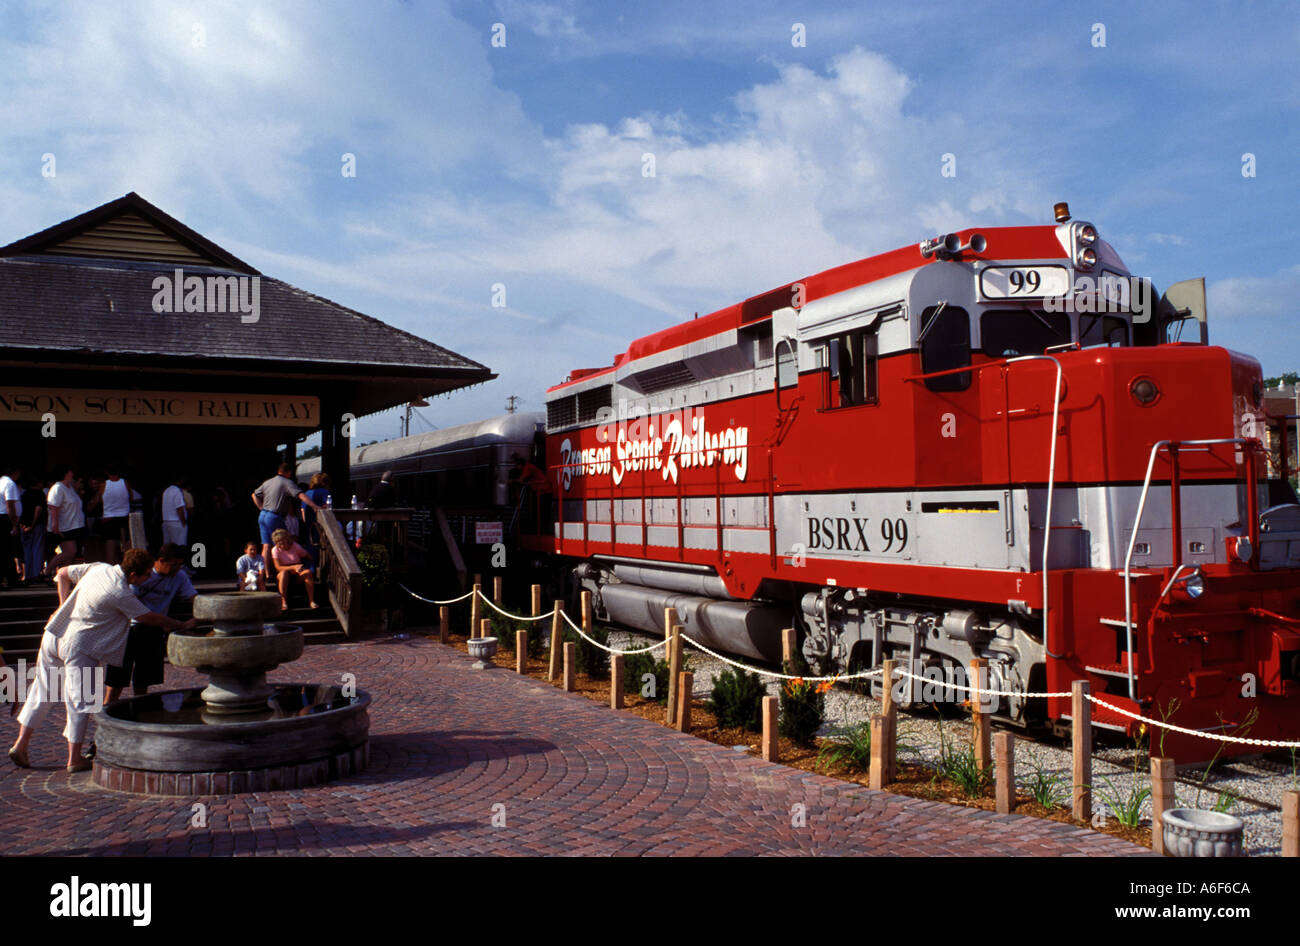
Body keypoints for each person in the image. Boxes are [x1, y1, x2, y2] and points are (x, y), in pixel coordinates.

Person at [8, 549, 197, 772]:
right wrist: (180, 624)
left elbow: (61, 573)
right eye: (146, 574)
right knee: (81, 700)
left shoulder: (99, 567)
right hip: (80, 645)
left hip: (55, 634)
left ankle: (21, 744)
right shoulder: (120, 592)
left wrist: (62, 605)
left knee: (42, 689)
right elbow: (147, 617)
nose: (148, 579)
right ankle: (74, 758)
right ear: (134, 573)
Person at [102, 543, 197, 706]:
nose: (177, 569)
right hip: (129, 628)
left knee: (143, 679)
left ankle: (140, 711)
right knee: (116, 681)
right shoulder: (143, 573)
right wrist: (176, 624)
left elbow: (193, 597)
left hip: (153, 629)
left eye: (180, 565)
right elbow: (136, 608)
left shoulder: (179, 576)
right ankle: (107, 709)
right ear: (160, 561)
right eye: (173, 564)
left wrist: (199, 614)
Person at [252, 463, 322, 585]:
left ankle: (267, 574)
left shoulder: (268, 482)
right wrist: (315, 506)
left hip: (263, 515)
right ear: (289, 473)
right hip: (275, 516)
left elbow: (254, 494)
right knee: (284, 543)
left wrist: (261, 508)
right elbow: (301, 495)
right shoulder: (286, 482)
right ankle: (286, 572)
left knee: (266, 546)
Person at [45, 466, 86, 575]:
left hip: (73, 525)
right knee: (70, 551)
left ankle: (62, 575)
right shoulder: (58, 487)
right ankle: (48, 570)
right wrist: (55, 523)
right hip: (64, 526)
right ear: (66, 473)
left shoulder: (69, 487)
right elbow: (53, 506)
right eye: (70, 472)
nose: (72, 474)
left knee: (70, 554)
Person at [269, 528, 317, 612]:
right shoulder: (275, 550)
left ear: (287, 539)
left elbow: (307, 556)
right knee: (283, 573)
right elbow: (278, 567)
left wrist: (304, 565)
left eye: (282, 540)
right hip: (283, 572)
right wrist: (293, 567)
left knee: (308, 573)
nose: (280, 543)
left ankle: (311, 601)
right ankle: (283, 601)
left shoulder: (295, 546)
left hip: (296, 573)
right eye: (278, 542)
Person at [96, 466, 131, 565]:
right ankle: (127, 566)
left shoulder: (104, 484)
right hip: (124, 517)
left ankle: (110, 567)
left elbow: (98, 499)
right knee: (125, 546)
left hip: (109, 518)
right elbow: (131, 497)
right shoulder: (125, 483)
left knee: (110, 546)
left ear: (107, 473)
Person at [19, 474, 48, 586]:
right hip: (36, 524)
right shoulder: (40, 494)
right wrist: (33, 523)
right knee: (37, 548)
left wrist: (22, 523)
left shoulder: (24, 494)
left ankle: (28, 574)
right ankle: (36, 574)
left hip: (23, 524)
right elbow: (38, 509)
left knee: (26, 549)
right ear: (38, 483)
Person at [301, 472, 332, 563]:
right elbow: (327, 507)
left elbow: (303, 512)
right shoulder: (325, 492)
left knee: (310, 550)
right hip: (320, 526)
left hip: (308, 526)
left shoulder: (307, 493)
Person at [0, 464, 22, 589]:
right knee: (7, 550)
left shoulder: (1, 482)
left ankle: (9, 578)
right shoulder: (10, 484)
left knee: (4, 550)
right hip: (4, 519)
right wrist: (14, 524)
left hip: (2, 516)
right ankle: (11, 579)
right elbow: (10, 504)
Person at [161, 475, 188, 548]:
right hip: (176, 522)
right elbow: (179, 508)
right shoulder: (177, 491)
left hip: (166, 521)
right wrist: (184, 522)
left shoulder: (166, 491)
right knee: (179, 547)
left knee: (168, 547)